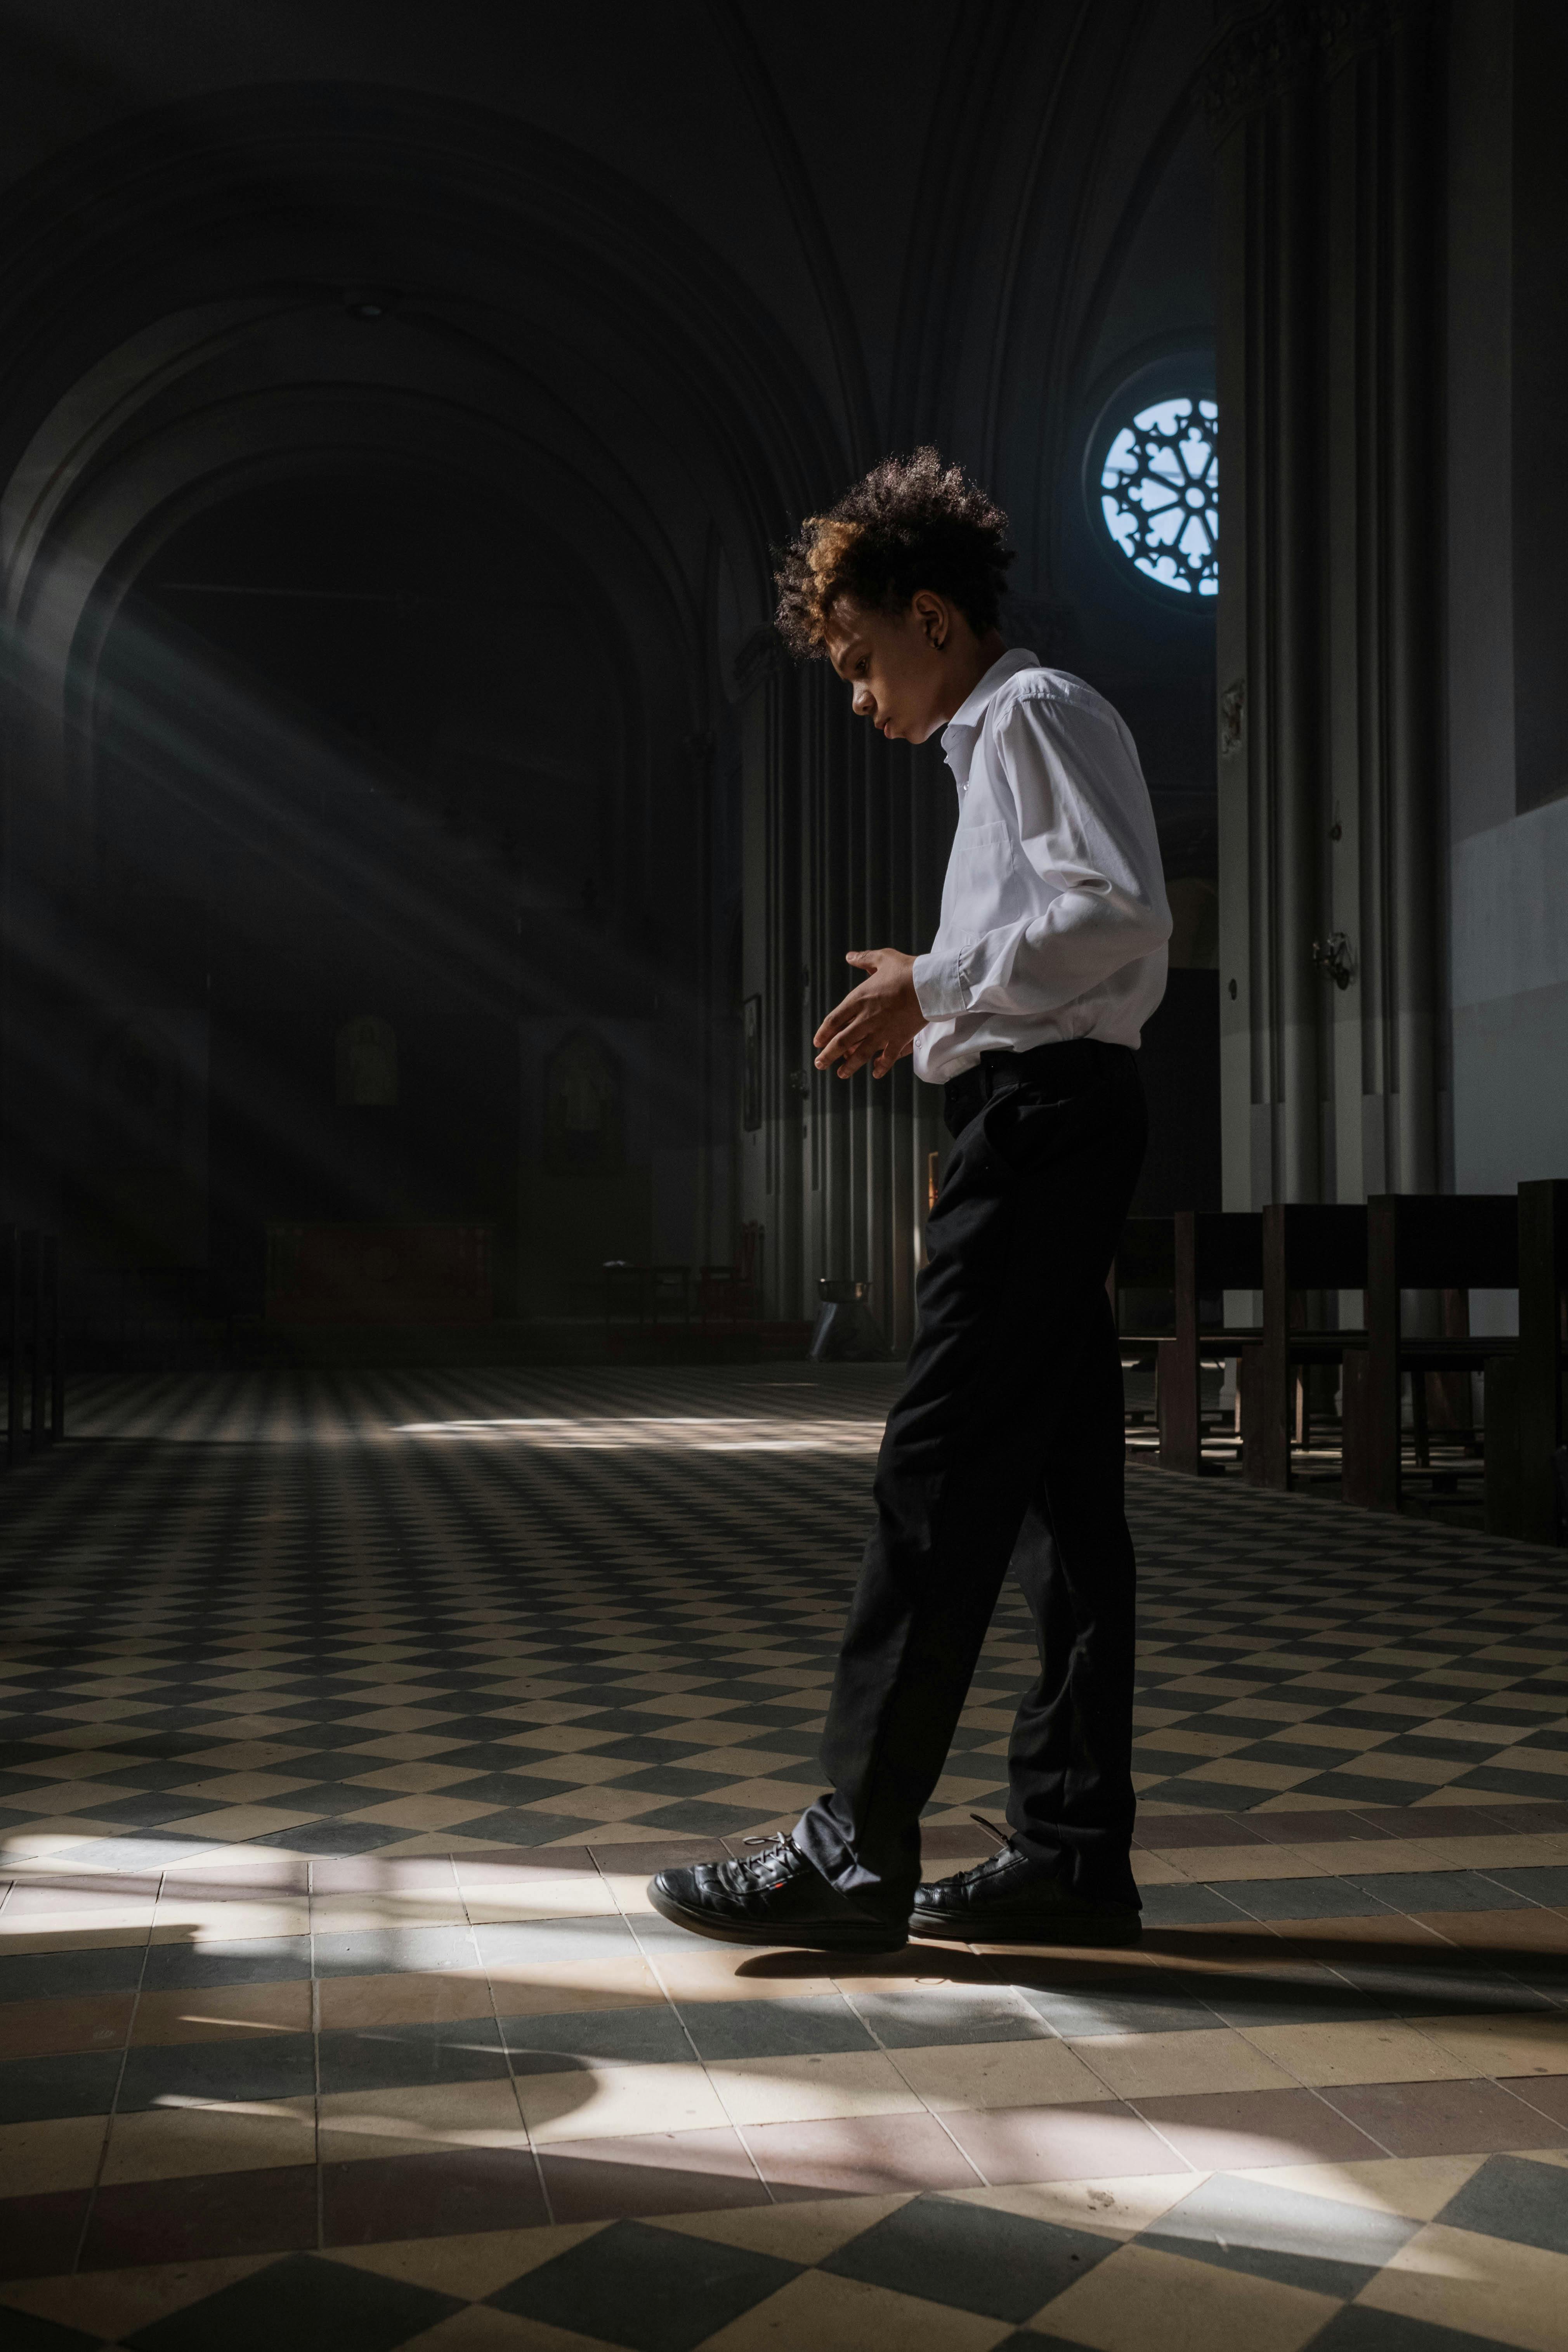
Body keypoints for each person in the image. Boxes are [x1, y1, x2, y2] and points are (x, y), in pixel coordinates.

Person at [649, 449, 1171, 1954]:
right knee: (1064, 1506)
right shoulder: (998, 738)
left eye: (863, 661)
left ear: (931, 619)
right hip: (1042, 1112)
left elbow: (1119, 915)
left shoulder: (1032, 711)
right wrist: (935, 998)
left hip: (1044, 1118)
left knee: (935, 1474)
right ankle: (1073, 1850)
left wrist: (933, 985)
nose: (860, 698)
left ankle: (853, 1845)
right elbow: (1059, 932)